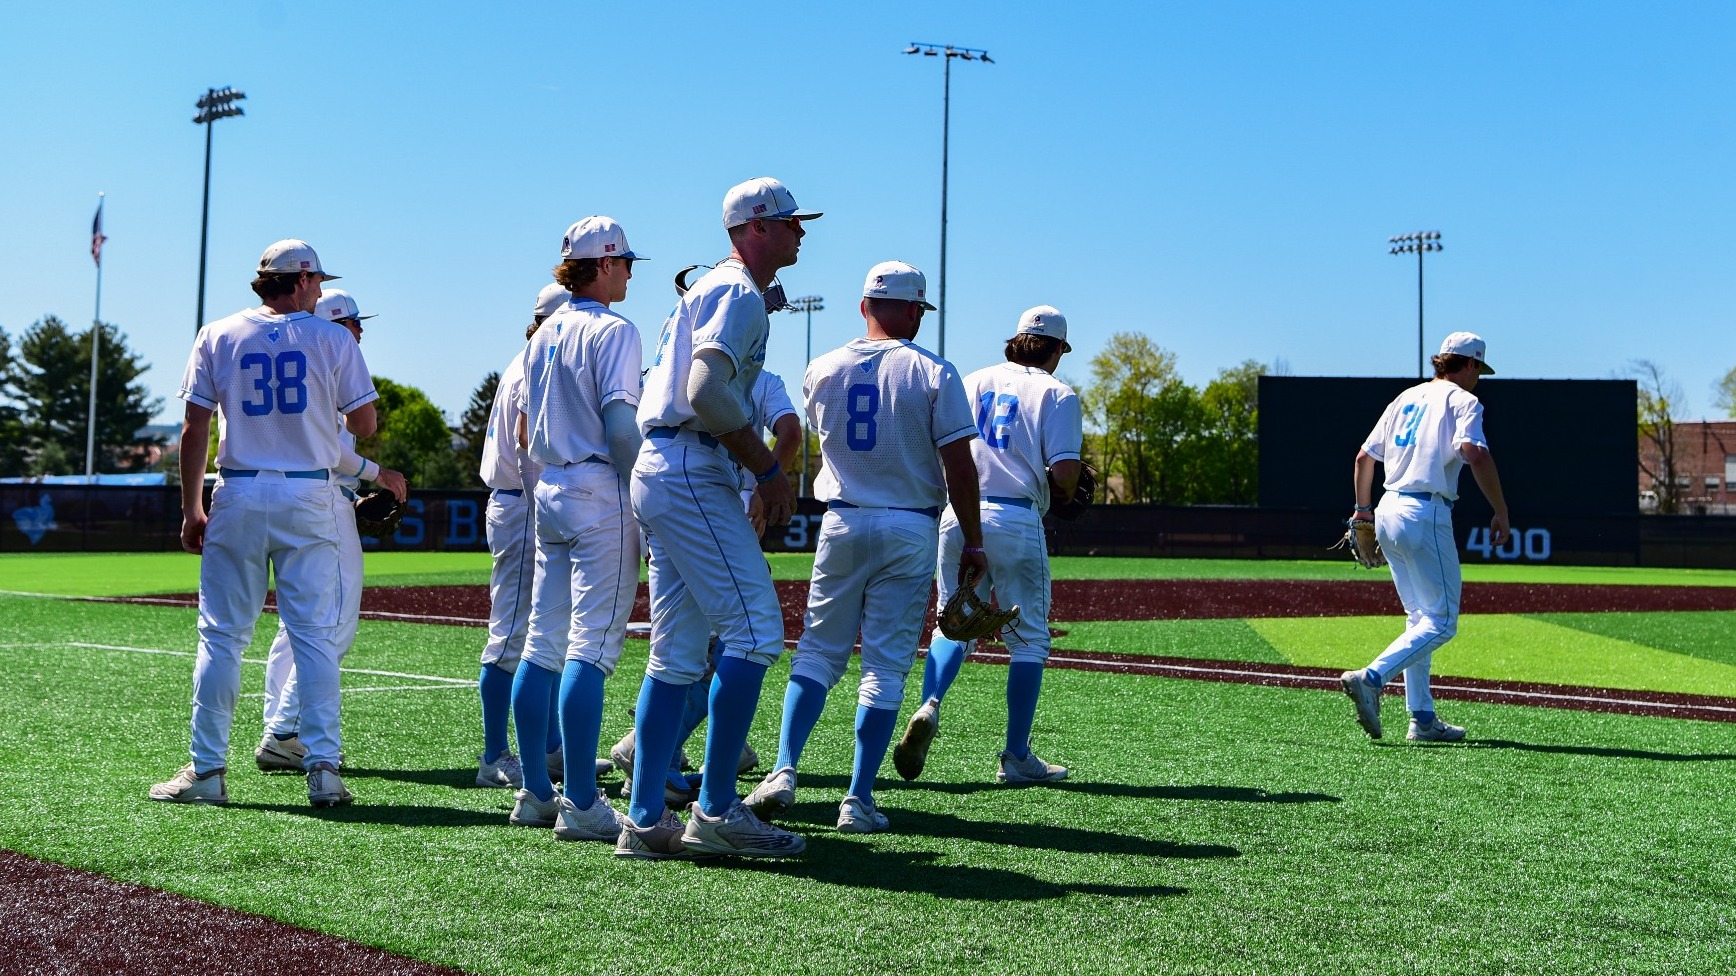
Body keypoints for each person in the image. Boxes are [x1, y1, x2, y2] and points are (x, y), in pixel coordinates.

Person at [744, 261, 983, 833]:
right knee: (884, 667)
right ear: (906, 309)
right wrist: (973, 540)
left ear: (862, 306)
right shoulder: (934, 371)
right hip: (908, 525)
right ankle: (857, 799)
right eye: (918, 310)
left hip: (842, 521)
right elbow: (958, 466)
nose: (920, 320)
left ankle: (783, 768)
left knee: (817, 654)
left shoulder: (821, 368)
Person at [620, 176, 818, 860]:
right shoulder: (735, 289)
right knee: (758, 633)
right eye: (791, 221)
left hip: (666, 463)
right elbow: (704, 391)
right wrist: (766, 469)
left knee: (675, 657)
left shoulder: (714, 289)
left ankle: (645, 819)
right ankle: (715, 810)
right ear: (756, 226)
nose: (801, 231)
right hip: (690, 464)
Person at [150, 239, 378, 809]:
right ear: (300, 281)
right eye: (317, 280)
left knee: (222, 637)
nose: (321, 289)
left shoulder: (217, 333)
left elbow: (193, 430)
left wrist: (191, 509)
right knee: (315, 636)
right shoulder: (331, 337)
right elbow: (366, 423)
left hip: (240, 490)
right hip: (310, 494)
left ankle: (208, 773)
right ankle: (323, 770)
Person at [896, 305, 1083, 785]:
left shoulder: (972, 379)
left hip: (959, 511)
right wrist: (1070, 483)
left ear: (1017, 339)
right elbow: (1064, 475)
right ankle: (1017, 756)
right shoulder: (1058, 393)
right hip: (1015, 515)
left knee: (952, 621)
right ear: (1057, 349)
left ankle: (930, 703)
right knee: (1029, 637)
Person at [510, 217, 645, 841]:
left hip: (551, 487)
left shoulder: (543, 334)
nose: (630, 273)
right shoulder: (615, 330)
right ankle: (583, 803)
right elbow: (622, 429)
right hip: (598, 487)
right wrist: (641, 492)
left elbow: (526, 430)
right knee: (589, 648)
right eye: (626, 262)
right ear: (607, 264)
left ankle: (537, 791)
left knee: (541, 644)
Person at [610, 367, 797, 804]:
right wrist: (768, 480)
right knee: (747, 637)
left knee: (676, 652)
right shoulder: (755, 371)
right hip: (708, 498)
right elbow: (788, 432)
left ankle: (646, 799)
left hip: (658, 488)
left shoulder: (663, 365)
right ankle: (708, 800)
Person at [254, 288, 407, 774]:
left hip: (276, 497)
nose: (361, 330)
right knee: (333, 626)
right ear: (338, 324)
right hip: (320, 504)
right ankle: (284, 731)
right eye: (356, 321)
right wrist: (376, 473)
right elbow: (331, 449)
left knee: (291, 627)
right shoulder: (330, 364)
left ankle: (280, 730)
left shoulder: (302, 359)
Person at [1339, 332, 1510, 742]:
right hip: (1425, 510)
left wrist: (1362, 510)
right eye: (1478, 369)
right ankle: (1372, 677)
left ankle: (1422, 717)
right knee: (1443, 622)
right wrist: (1500, 508)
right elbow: (1475, 452)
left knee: (1420, 620)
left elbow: (1365, 457)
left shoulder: (1405, 398)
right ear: (1467, 364)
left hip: (1386, 508)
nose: (1478, 378)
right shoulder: (1464, 401)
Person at [472, 282, 568, 790]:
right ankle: (493, 756)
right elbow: (530, 441)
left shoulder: (528, 357)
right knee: (510, 635)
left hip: (520, 501)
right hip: (524, 502)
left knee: (545, 632)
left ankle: (550, 749)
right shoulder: (538, 361)